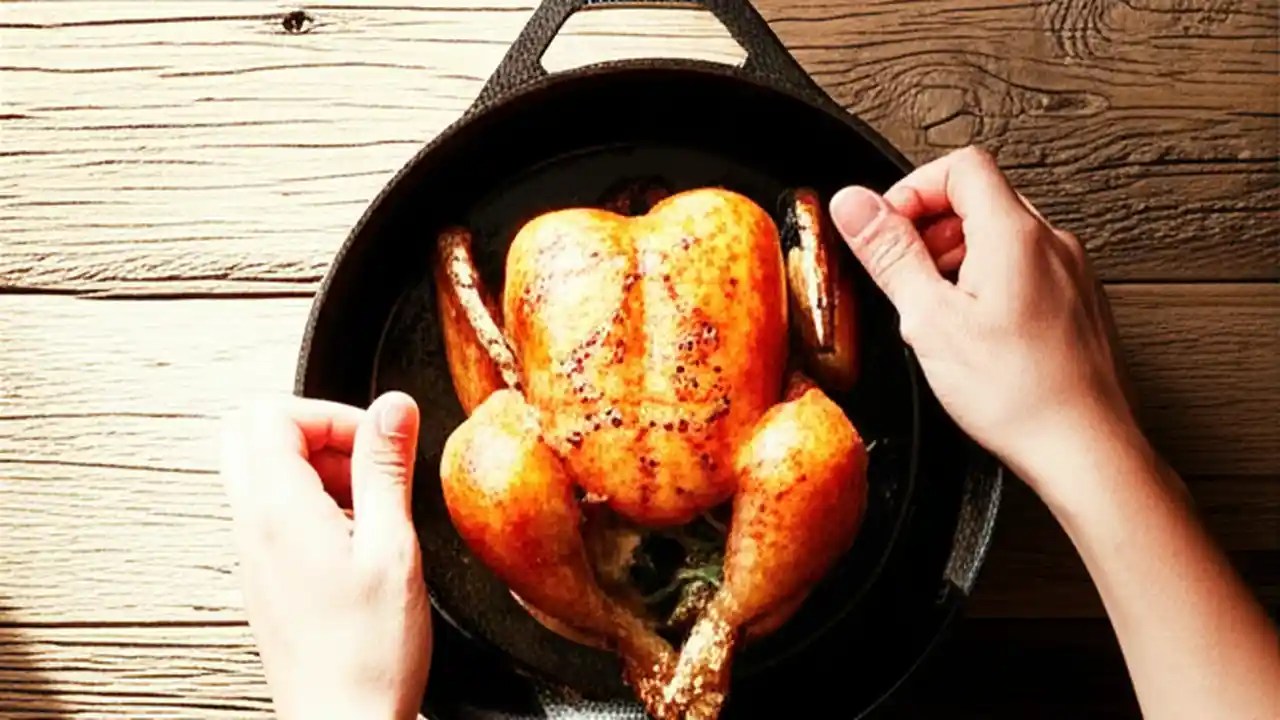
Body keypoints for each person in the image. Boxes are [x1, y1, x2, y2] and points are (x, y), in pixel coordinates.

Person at [219, 146, 1280, 720]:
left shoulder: (543, 242)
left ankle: (678, 634)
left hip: (645, 470)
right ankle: (670, 633)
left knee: (489, 445)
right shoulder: (737, 223)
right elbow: (827, 359)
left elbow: (491, 370)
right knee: (503, 448)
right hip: (694, 458)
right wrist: (1090, 439)